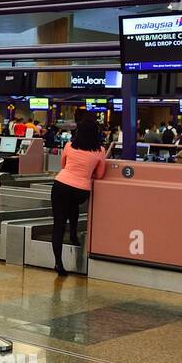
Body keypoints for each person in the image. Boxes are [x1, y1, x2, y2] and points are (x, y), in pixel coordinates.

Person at [51, 112, 106, 277]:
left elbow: (63, 164)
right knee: (74, 205)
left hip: (61, 185)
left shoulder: (69, 145)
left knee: (58, 224)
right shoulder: (100, 150)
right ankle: (74, 235)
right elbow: (100, 174)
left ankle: (58, 263)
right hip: (81, 189)